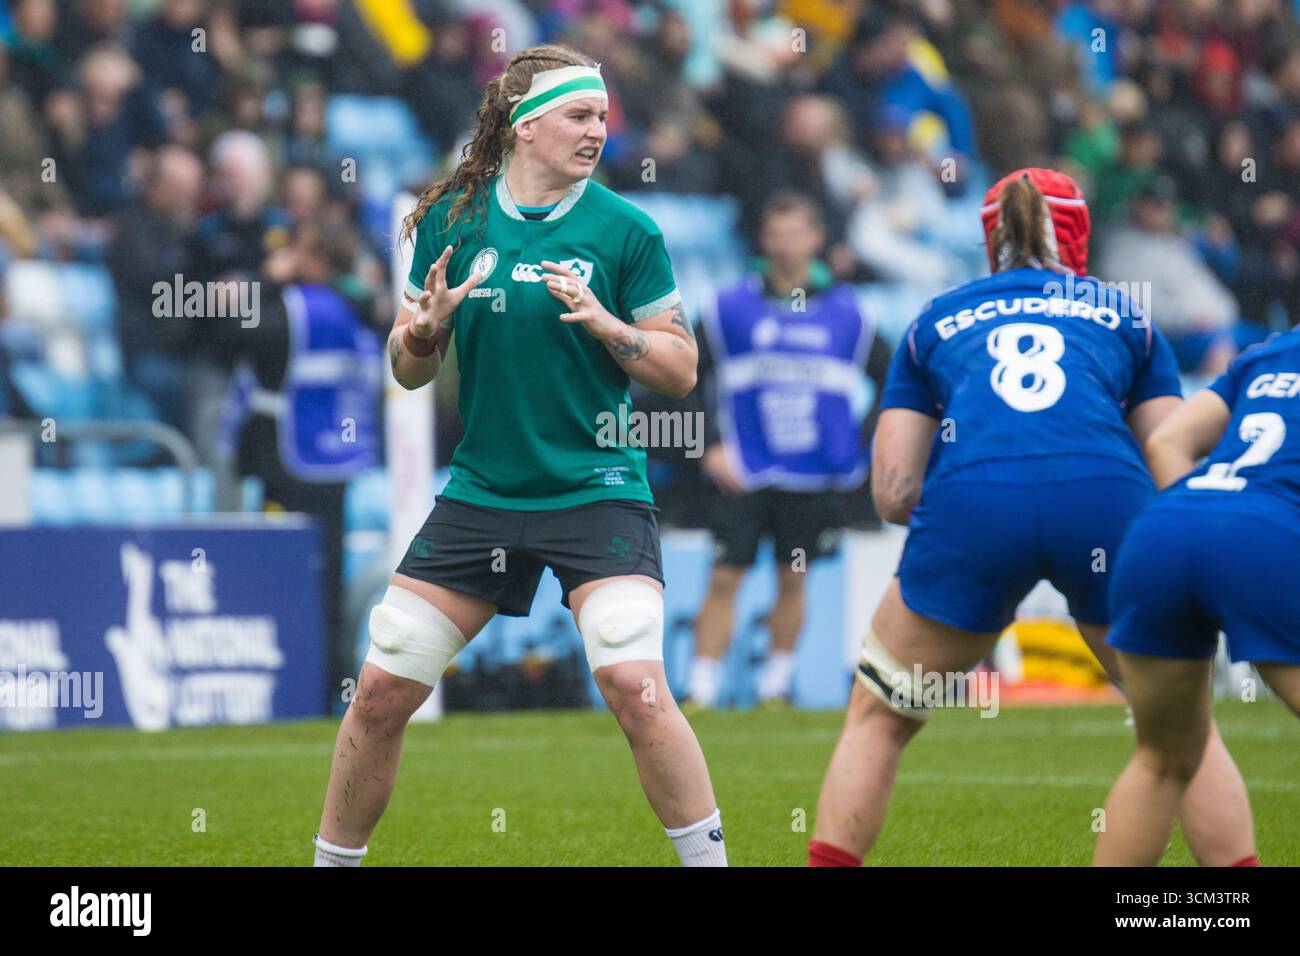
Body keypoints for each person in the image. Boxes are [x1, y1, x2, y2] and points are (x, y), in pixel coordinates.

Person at [312, 45, 726, 867]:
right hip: (485, 492)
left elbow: (680, 372)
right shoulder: (451, 222)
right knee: (384, 685)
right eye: (580, 115)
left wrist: (616, 331)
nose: (598, 132)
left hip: (597, 487)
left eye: (604, 117)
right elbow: (408, 364)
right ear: (526, 125)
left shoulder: (627, 230)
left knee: (637, 687)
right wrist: (422, 334)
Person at [807, 167, 1257, 868]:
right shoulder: (1126, 317)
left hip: (974, 502)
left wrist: (971, 530)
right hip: (1108, 500)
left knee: (879, 717)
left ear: (992, 238)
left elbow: (893, 490)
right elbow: (1174, 458)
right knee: (1181, 736)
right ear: (1077, 236)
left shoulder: (934, 320)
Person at [1096, 327, 1300, 866]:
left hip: (1165, 529)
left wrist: (1211, 534)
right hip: (1265, 537)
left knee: (1163, 761)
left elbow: (1166, 441)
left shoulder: (1271, 351)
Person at [688, 191, 890, 710]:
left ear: (818, 239)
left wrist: (860, 445)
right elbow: (682, 377)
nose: (786, 243)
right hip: (745, 472)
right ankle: (701, 690)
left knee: (792, 578)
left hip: (816, 477)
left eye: (797, 232)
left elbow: (895, 384)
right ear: (762, 240)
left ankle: (775, 687)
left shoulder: (851, 315)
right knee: (724, 576)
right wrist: (708, 445)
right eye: (777, 232)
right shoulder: (726, 308)